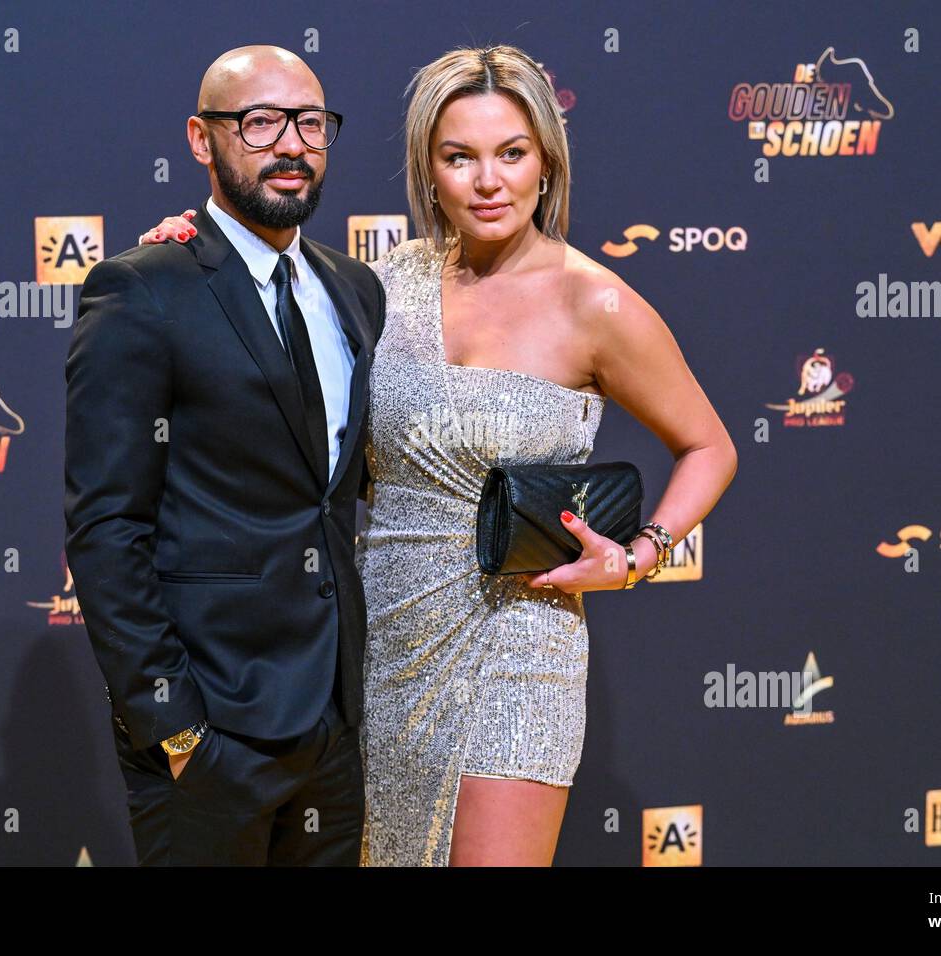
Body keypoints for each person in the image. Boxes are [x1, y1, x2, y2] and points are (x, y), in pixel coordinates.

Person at [141, 44, 737, 866]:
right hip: (378, 640)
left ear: (546, 164)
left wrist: (639, 556)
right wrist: (191, 251)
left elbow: (708, 445)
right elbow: (261, 309)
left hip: (520, 639)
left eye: (512, 154)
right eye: (460, 157)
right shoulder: (379, 284)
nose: (487, 181)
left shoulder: (595, 301)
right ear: (429, 170)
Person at [65, 45, 383, 865]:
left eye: (311, 123)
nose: (290, 144)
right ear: (202, 141)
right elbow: (107, 527)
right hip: (211, 732)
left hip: (333, 724)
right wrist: (173, 727)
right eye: (260, 121)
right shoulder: (143, 290)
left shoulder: (354, 289)